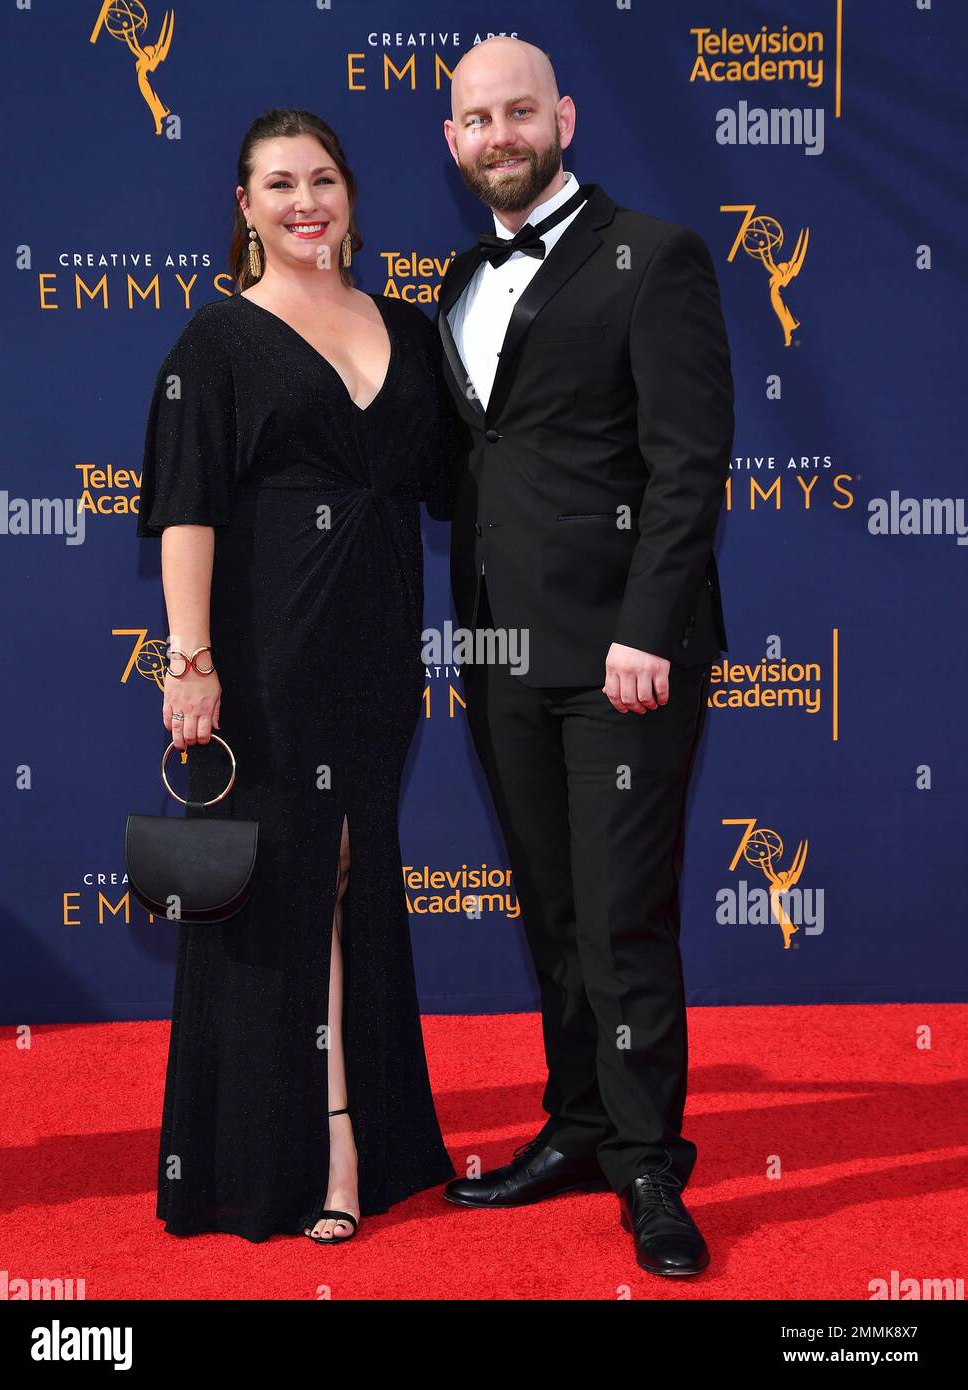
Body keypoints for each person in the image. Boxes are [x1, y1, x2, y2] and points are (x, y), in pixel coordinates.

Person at [435, 39, 734, 1277]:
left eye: (519, 111)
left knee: (622, 921)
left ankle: (652, 1166)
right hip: (503, 650)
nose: (499, 134)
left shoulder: (653, 256)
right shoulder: (459, 276)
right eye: (474, 119)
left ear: (561, 116)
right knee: (555, 911)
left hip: (624, 659)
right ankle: (578, 1122)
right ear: (451, 141)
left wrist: (644, 632)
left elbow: (687, 464)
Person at [136, 108, 459, 1245]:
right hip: (268, 656)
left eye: (322, 178)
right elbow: (185, 509)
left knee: (356, 872)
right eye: (278, 183)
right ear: (245, 207)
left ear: (352, 196)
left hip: (378, 656)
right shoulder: (216, 345)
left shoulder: (411, 330)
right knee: (293, 887)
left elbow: (466, 479)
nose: (304, 201)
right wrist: (191, 658)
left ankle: (370, 1127)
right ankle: (327, 1149)